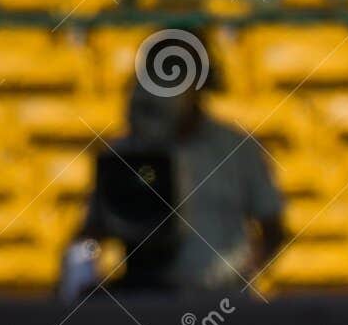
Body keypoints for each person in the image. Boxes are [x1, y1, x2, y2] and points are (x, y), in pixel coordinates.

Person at [66, 30, 285, 297]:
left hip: (219, 303)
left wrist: (239, 271)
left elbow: (273, 230)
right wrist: (80, 275)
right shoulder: (123, 153)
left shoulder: (238, 149)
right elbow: (92, 233)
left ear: (200, 83)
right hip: (147, 302)